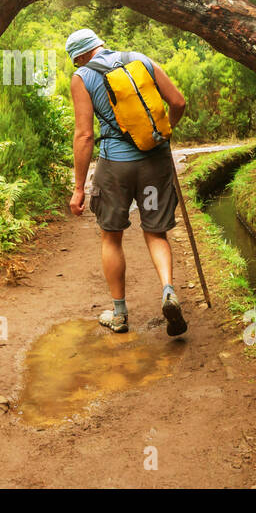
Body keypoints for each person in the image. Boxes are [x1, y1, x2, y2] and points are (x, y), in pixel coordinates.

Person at [65, 28, 189, 336]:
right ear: (100, 45)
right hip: (155, 163)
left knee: (111, 236)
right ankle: (168, 291)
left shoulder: (82, 77)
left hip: (115, 168)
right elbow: (179, 102)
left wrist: (79, 187)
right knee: (155, 231)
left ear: (79, 57)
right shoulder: (140, 60)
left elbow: (84, 135)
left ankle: (119, 314)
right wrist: (161, 134)